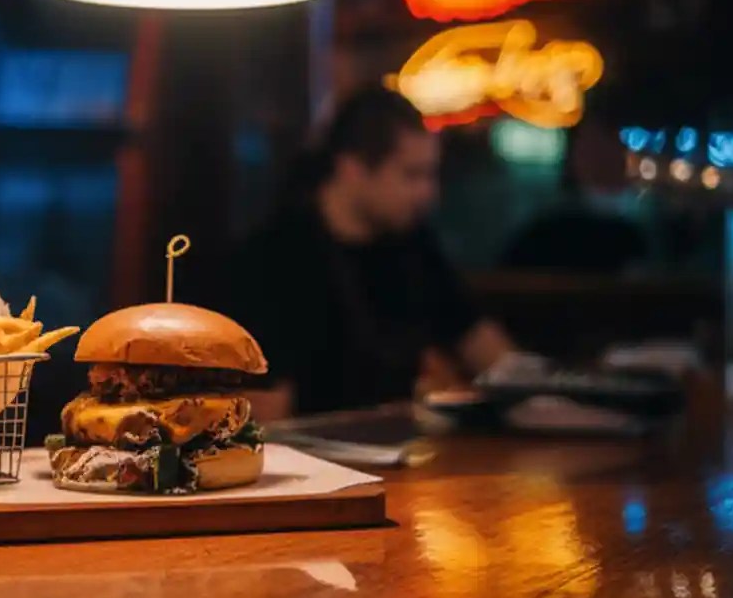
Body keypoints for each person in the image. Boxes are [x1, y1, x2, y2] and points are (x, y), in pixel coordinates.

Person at [218, 87, 514, 419]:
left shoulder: (412, 243)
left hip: (401, 452)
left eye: (432, 175)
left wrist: (538, 396)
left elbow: (481, 342)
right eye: (412, 175)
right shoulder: (276, 257)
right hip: (314, 461)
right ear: (352, 168)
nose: (428, 193)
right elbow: (266, 412)